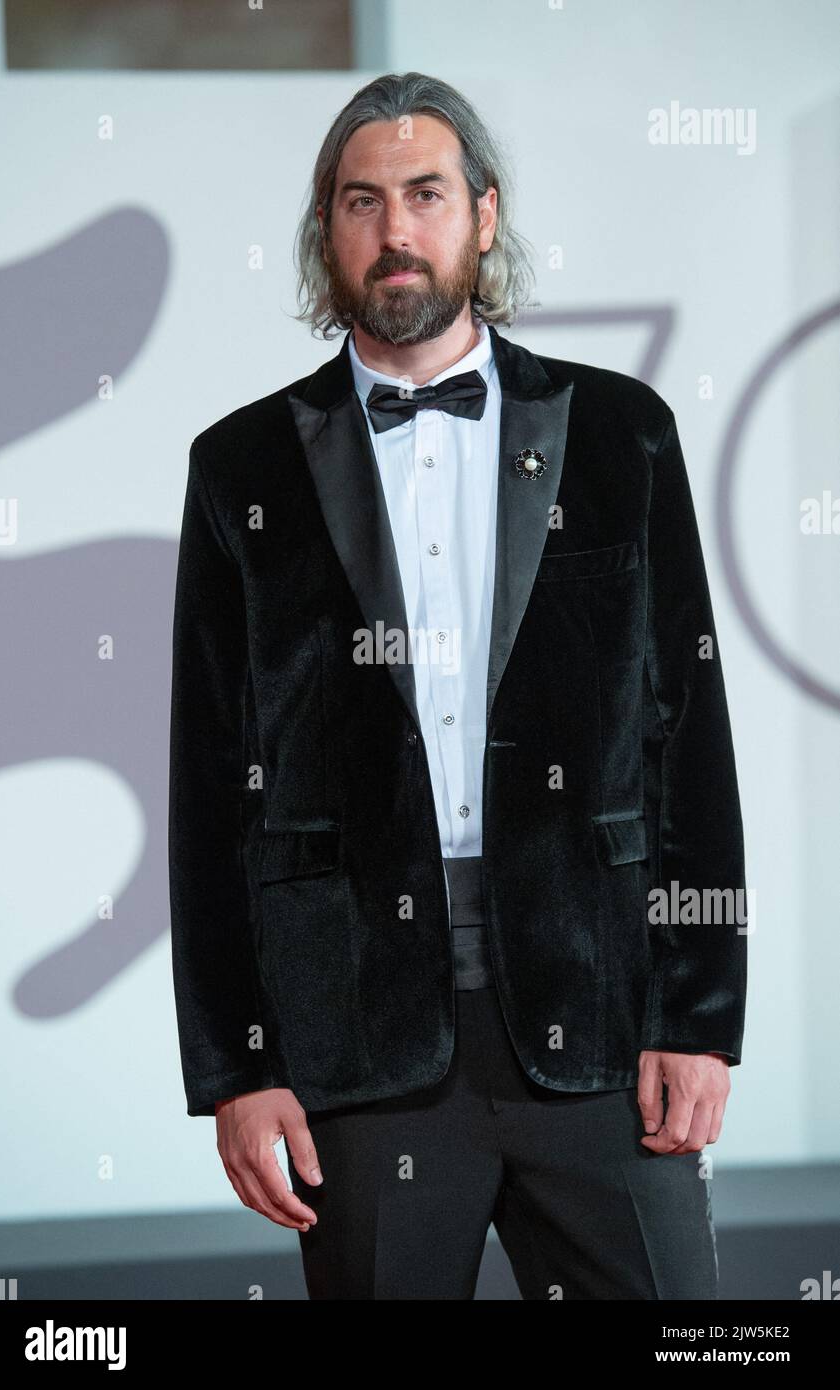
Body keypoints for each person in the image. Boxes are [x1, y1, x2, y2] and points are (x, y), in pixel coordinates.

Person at [168, 71, 747, 1300]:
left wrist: (699, 1017)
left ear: (484, 216)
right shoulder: (239, 467)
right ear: (326, 231)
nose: (394, 229)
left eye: (425, 194)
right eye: (361, 201)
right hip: (358, 1039)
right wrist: (237, 1065)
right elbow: (211, 781)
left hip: (600, 1022)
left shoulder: (622, 433)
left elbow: (687, 733)